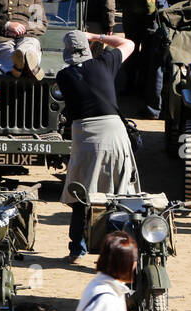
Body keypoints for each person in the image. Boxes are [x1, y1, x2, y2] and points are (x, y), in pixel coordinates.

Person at [57, 31, 138, 263]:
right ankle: (116, 250)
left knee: (82, 193)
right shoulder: (105, 63)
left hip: (85, 136)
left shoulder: (63, 76)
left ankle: (77, 249)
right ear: (88, 48)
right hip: (114, 132)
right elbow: (128, 42)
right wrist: (97, 36)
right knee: (119, 192)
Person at [73, 231, 138, 311]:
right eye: (134, 259)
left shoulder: (98, 285)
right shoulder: (107, 302)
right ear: (125, 263)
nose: (135, 264)